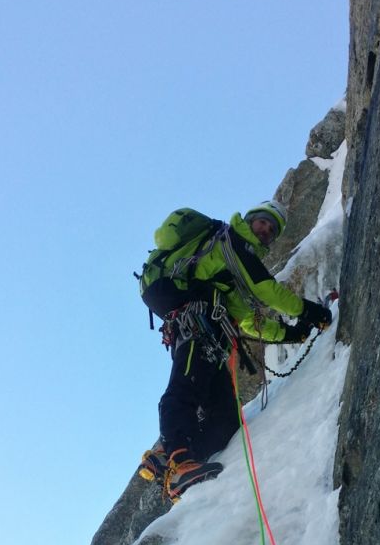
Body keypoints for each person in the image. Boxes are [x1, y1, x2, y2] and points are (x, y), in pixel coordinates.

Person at [139, 199, 332, 500]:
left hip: (214, 334)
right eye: (262, 222)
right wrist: (307, 311)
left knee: (225, 423)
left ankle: (168, 455)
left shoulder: (236, 269)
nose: (265, 230)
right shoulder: (232, 241)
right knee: (185, 387)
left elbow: (248, 320)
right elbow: (266, 289)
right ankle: (179, 462)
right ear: (250, 219)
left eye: (271, 229)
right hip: (195, 322)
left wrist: (291, 334)